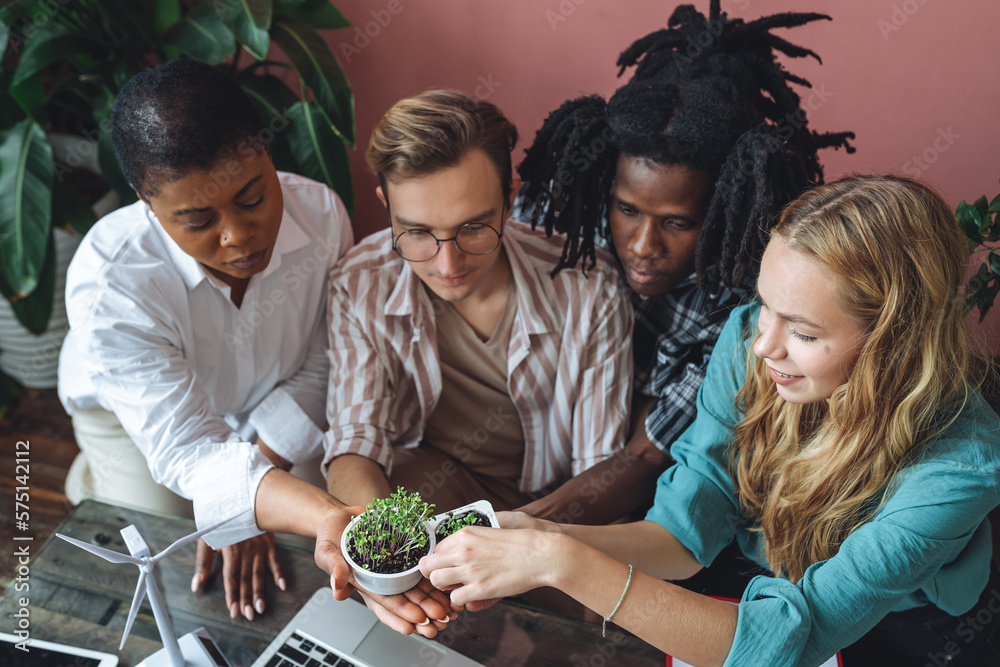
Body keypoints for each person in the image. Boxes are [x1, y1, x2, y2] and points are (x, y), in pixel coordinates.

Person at [421, 175, 1000, 666]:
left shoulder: (959, 468)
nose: (763, 345)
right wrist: (543, 534)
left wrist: (562, 562)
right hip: (767, 567)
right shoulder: (751, 337)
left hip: (904, 624)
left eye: (802, 331)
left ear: (894, 342)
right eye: (766, 305)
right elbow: (686, 531)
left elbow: (796, 640)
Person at [514, 0, 856, 525]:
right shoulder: (556, 217)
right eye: (628, 210)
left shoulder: (749, 308)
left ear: (724, 211)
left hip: (645, 510)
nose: (644, 245)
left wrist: (520, 531)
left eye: (678, 222)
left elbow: (643, 457)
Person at [58, 59, 355, 622]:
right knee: (163, 566)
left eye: (252, 198)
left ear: (268, 155)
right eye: (197, 220)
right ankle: (101, 468)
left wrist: (250, 489)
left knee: (306, 556)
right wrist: (238, 503)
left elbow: (325, 358)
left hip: (275, 400)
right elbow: (187, 445)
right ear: (146, 202)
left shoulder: (323, 217)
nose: (238, 236)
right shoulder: (110, 281)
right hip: (137, 419)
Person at [323, 89, 632, 518]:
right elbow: (355, 440)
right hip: (430, 486)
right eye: (416, 232)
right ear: (386, 208)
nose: (447, 264)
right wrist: (390, 556)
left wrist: (514, 545)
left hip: (555, 508)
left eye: (473, 227)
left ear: (509, 199)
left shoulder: (587, 285)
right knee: (355, 513)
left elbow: (598, 472)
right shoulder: (359, 282)